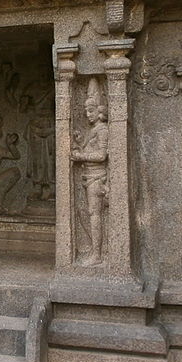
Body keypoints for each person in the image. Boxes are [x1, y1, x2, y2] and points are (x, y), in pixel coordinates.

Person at [71, 78, 108, 266]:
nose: (88, 114)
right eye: (86, 111)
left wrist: (81, 157)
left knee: (94, 214)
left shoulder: (102, 130)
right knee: (86, 212)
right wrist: (79, 143)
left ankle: (97, 254)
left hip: (97, 177)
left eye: (91, 111)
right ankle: (94, 249)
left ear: (100, 111)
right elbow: (89, 149)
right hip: (89, 176)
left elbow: (102, 155)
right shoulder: (93, 129)